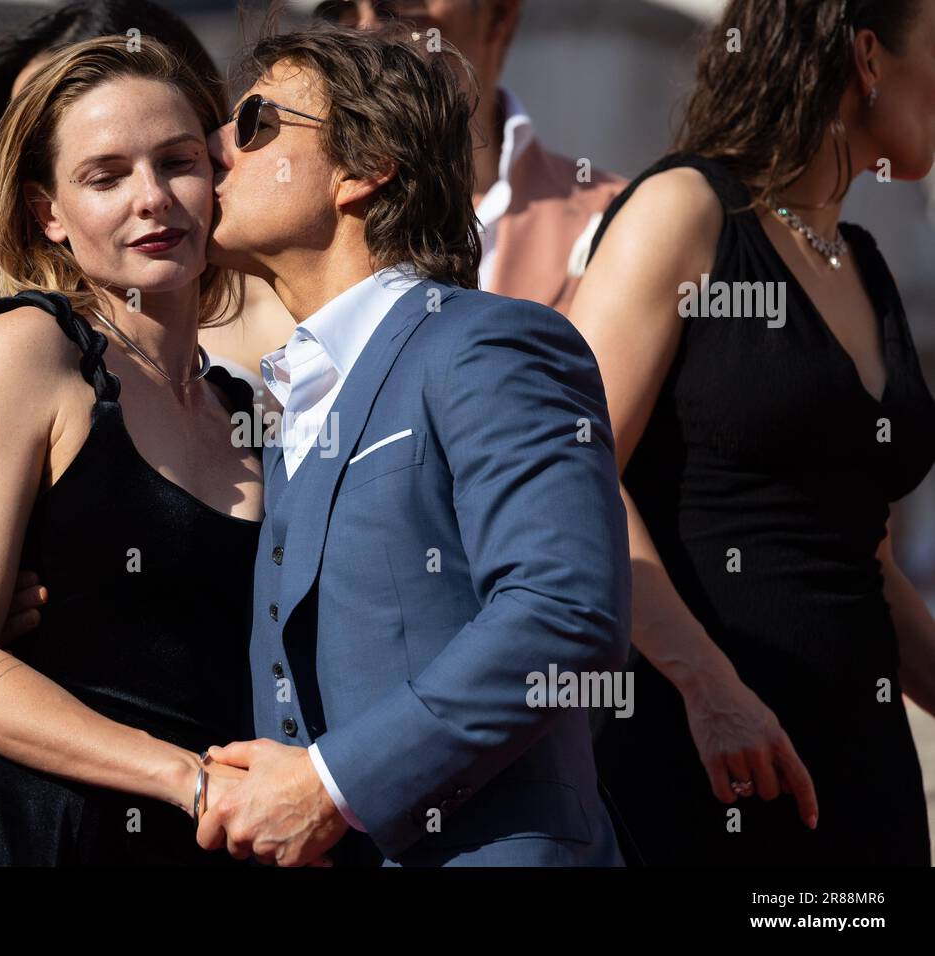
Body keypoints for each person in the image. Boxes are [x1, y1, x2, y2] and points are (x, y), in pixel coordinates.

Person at [193, 25, 631, 866]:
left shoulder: (488, 343)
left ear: (364, 167)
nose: (214, 149)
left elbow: (565, 611)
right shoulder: (290, 396)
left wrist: (331, 785)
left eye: (253, 124)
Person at [0, 1, 270, 866]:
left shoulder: (248, 408)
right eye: (106, 177)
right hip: (25, 834)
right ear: (49, 213)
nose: (152, 198)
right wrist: (188, 777)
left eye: (178, 162)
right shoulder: (28, 348)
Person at [568, 0, 935, 865]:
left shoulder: (864, 261)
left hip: (860, 778)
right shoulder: (684, 211)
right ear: (869, 59)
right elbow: (569, 465)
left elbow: (859, 558)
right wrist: (710, 687)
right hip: (702, 762)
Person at [312, 0, 624, 312]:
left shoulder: (619, 216)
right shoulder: (300, 216)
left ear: (499, 16)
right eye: (343, 12)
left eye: (401, 9)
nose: (366, 31)